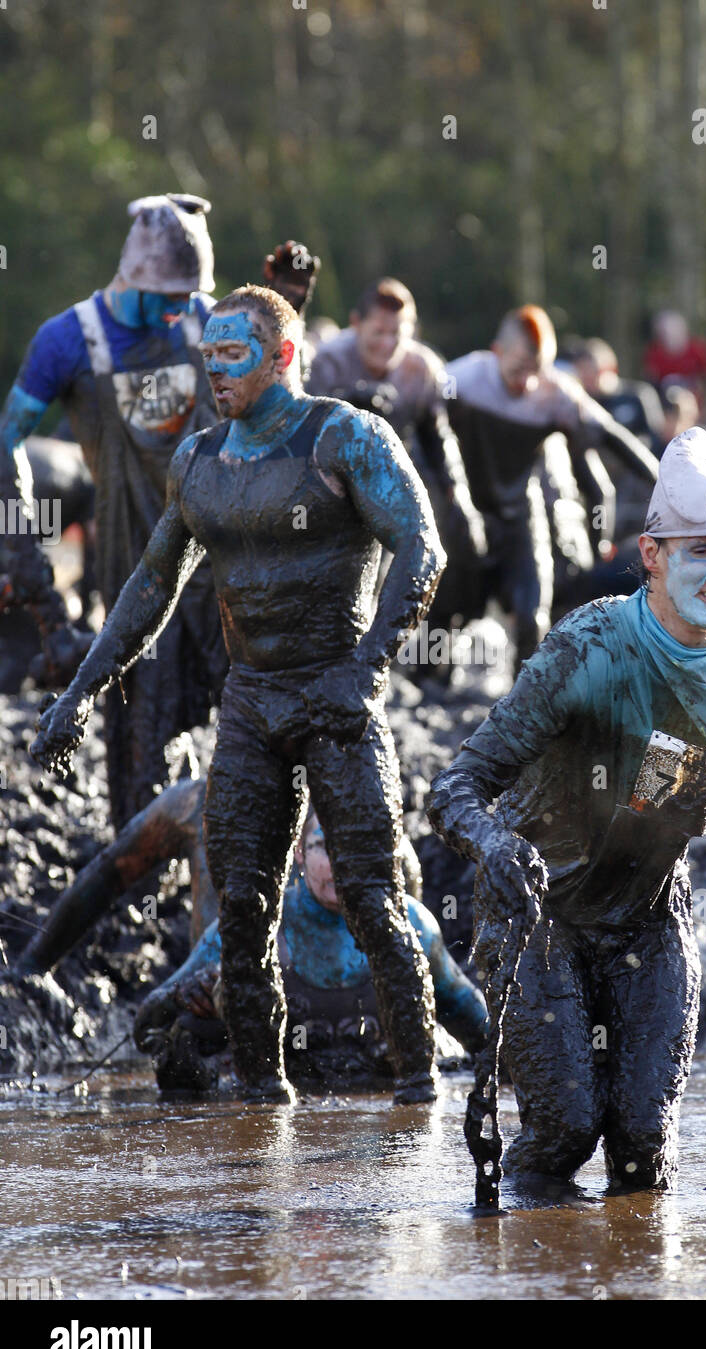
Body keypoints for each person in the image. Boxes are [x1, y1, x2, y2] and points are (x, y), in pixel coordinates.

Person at [427, 426, 706, 1191]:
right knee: (567, 1133)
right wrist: (492, 846)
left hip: (649, 912)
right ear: (653, 556)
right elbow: (457, 789)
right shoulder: (591, 648)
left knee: (643, 1150)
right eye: (702, 551)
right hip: (542, 912)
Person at [30, 282, 446, 1106]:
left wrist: (363, 669)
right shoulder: (201, 460)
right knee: (246, 911)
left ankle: (420, 1090)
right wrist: (77, 695)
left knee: (371, 897)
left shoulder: (346, 439)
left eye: (233, 355)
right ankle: (261, 1094)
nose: (214, 371)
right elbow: (149, 589)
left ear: (283, 355)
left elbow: (422, 551)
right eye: (209, 354)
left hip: (338, 701)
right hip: (251, 704)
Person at [0, 193, 227, 828]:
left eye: (192, 295)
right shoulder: (68, 340)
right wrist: (24, 548)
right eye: (172, 296)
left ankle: (248, 862)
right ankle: (141, 869)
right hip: (134, 562)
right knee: (142, 720)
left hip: (219, 551)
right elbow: (7, 439)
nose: (185, 308)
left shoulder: (206, 322)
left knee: (249, 709)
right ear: (132, 277)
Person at [133, 809, 487, 1092]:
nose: (339, 861)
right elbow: (145, 1026)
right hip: (281, 1095)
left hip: (387, 1102)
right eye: (323, 846)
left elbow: (478, 1028)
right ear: (300, 853)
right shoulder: (259, 921)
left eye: (351, 847)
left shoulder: (411, 921)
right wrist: (185, 995)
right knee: (188, 1033)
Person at [446, 305, 659, 668]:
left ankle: (524, 706)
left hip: (520, 515)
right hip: (464, 509)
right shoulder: (462, 379)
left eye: (536, 371)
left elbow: (615, 442)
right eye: (517, 370)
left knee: (533, 616)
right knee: (447, 616)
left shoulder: (557, 393)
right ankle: (429, 686)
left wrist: (665, 485)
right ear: (497, 352)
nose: (526, 383)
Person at [307, 277, 486, 638]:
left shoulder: (422, 368)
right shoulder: (329, 362)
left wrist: (459, 496)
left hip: (391, 476)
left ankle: (398, 654)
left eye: (397, 333)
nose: (387, 344)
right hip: (330, 479)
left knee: (415, 556)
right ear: (356, 324)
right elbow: (305, 434)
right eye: (378, 332)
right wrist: (353, 398)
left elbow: (437, 438)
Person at [641, 310, 706, 410]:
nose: (671, 333)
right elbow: (652, 381)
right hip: (666, 406)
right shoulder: (654, 354)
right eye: (666, 330)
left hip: (696, 404)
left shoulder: (699, 349)